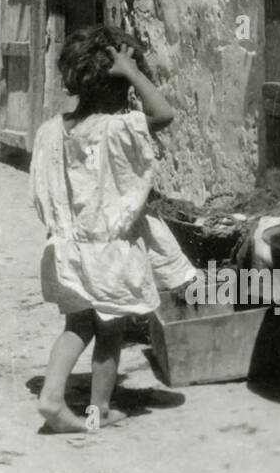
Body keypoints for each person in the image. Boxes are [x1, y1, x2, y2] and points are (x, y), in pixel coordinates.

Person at [30, 25, 195, 433]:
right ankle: (98, 409)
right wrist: (133, 71)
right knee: (110, 331)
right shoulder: (115, 130)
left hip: (67, 247)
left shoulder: (51, 130)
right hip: (108, 253)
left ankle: (51, 397)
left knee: (76, 326)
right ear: (117, 85)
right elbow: (164, 113)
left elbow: (42, 193)